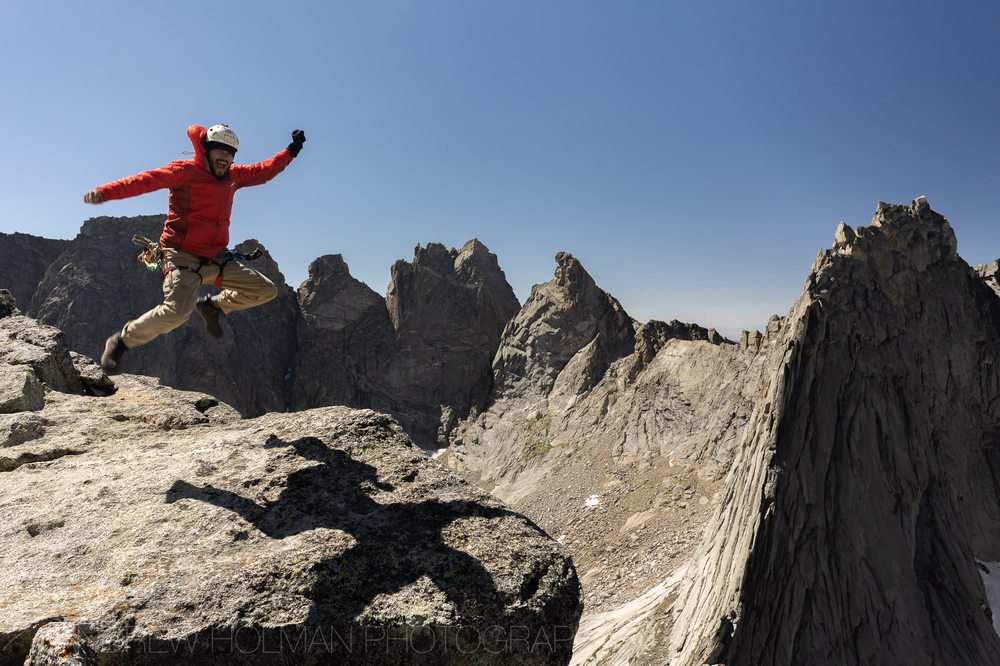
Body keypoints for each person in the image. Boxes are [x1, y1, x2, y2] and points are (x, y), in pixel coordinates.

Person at [83, 124, 306, 375]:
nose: (225, 157)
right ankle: (121, 341)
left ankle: (213, 306)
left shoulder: (233, 176)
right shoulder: (184, 171)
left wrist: (292, 150)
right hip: (182, 257)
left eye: (230, 153)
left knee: (266, 290)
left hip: (215, 259)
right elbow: (144, 181)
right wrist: (105, 193)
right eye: (220, 151)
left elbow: (264, 171)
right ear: (206, 151)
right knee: (177, 313)